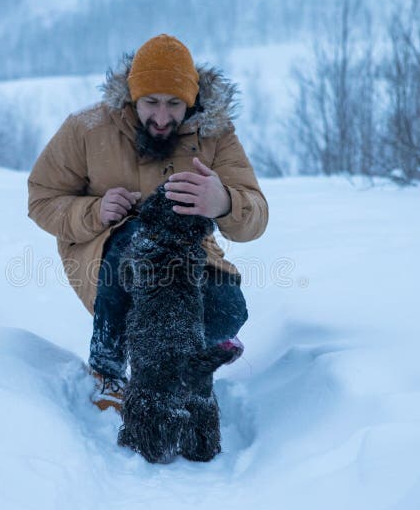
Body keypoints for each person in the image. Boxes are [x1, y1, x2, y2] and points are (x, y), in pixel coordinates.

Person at [28, 34, 268, 411]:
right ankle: (109, 369)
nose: (161, 117)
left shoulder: (215, 134)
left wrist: (223, 202)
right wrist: (95, 211)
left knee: (229, 311)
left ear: (191, 102)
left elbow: (256, 215)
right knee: (139, 241)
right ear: (131, 96)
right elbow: (42, 198)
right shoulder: (86, 128)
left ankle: (176, 367)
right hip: (105, 254)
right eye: (150, 103)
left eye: (174, 104)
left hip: (189, 255)